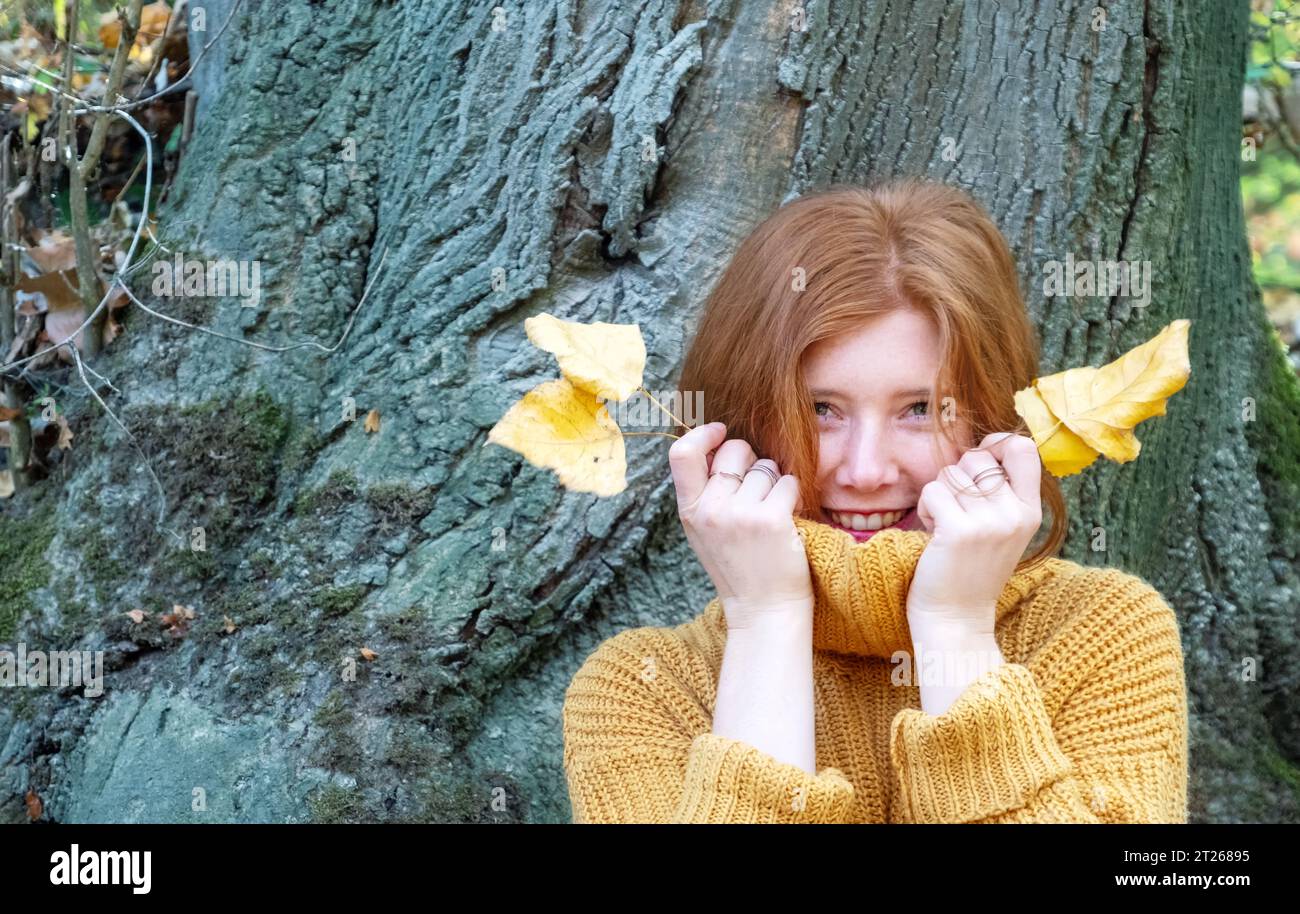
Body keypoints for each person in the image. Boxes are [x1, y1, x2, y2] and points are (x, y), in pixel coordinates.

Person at [561, 177, 1190, 823]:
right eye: (819, 410)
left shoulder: (1100, 634)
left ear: (988, 421)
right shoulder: (643, 690)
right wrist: (766, 619)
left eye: (921, 409)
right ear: (741, 426)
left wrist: (956, 629)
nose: (865, 471)